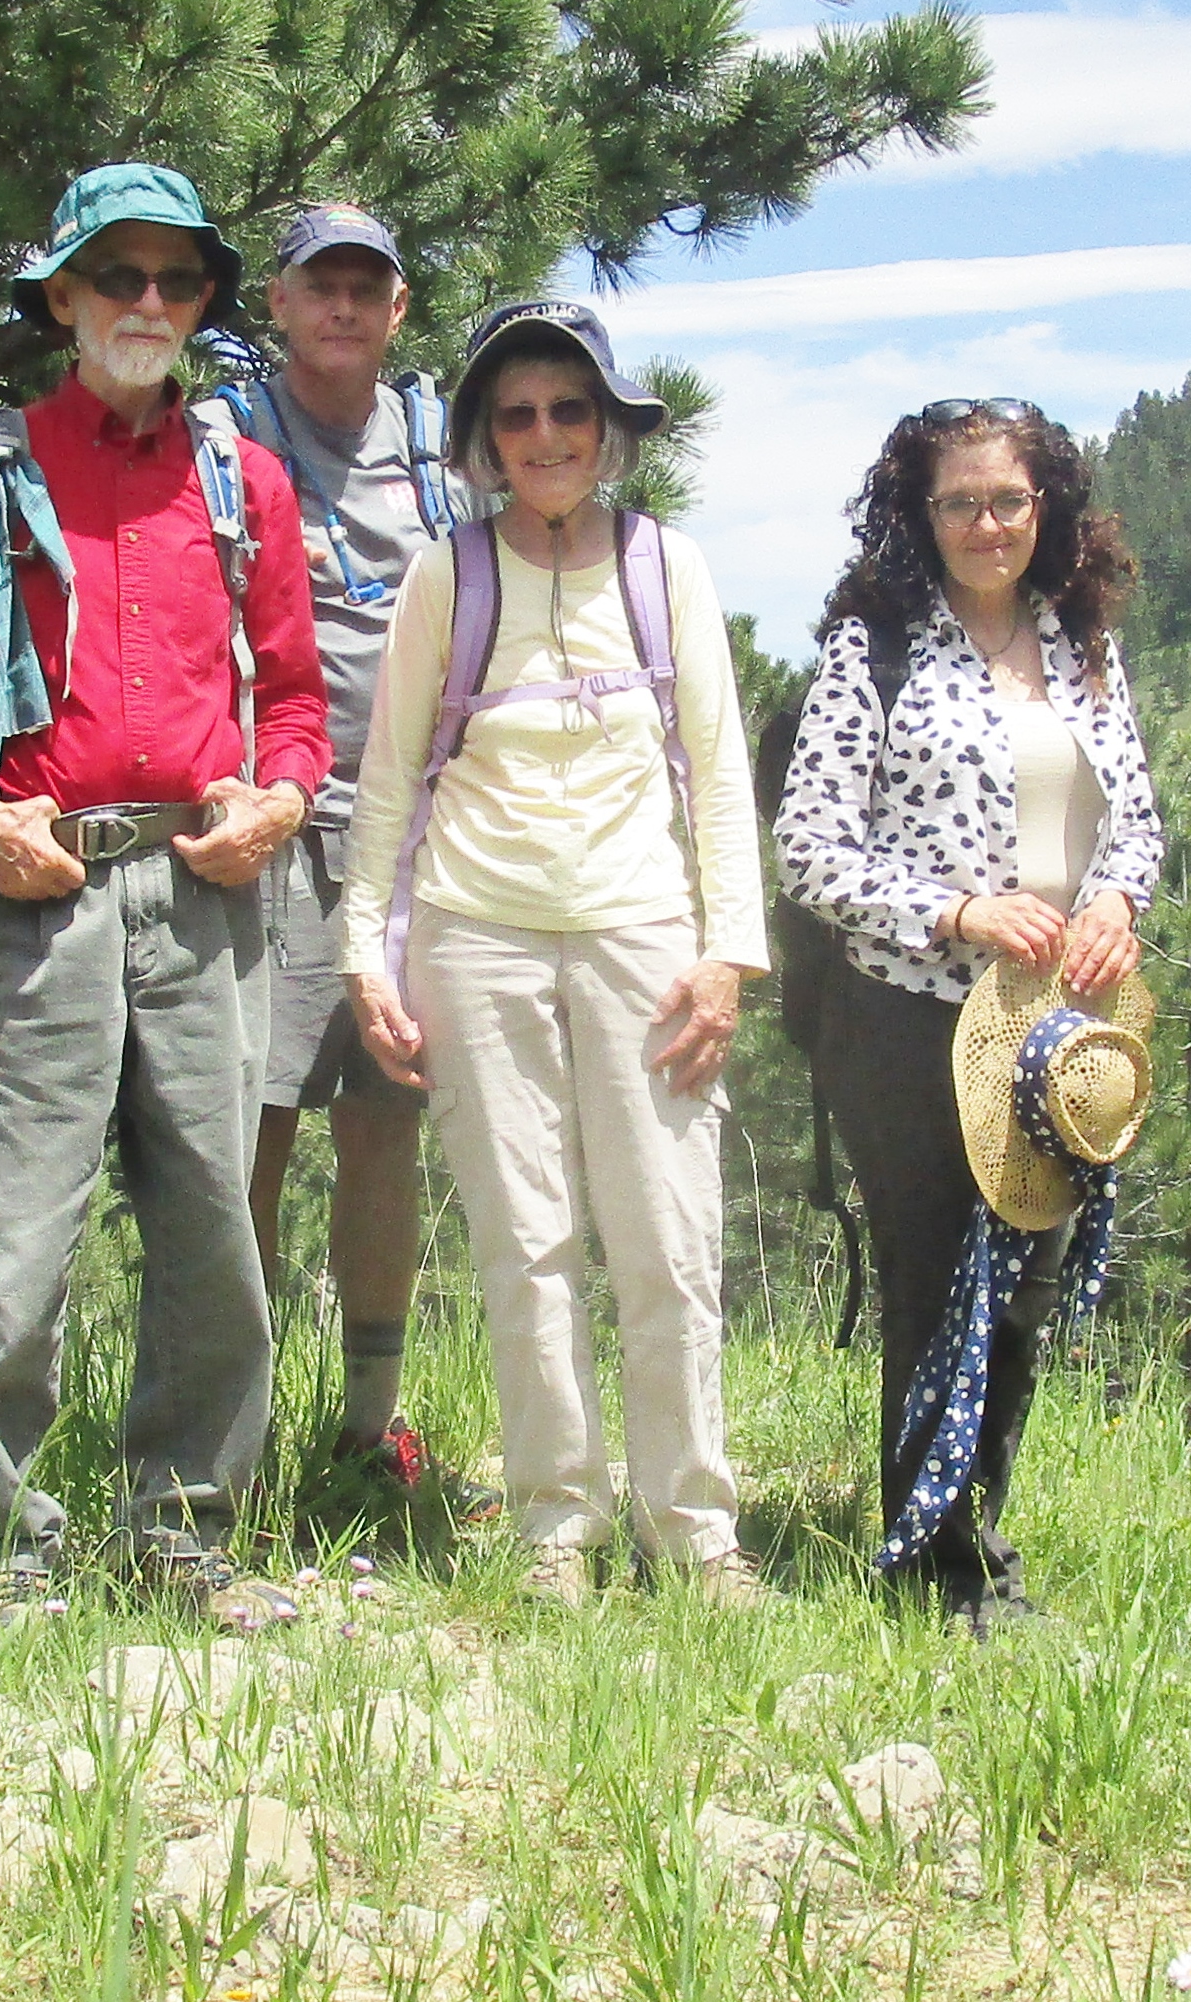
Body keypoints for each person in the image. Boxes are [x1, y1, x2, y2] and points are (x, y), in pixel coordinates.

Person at [0, 163, 329, 1626]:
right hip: (30, 895)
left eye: (176, 282)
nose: (146, 304)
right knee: (4, 1247)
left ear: (200, 307)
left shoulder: (242, 481)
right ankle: (0, 1558)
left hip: (200, 895)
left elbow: (295, 701)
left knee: (211, 1238)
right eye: (116, 276)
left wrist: (280, 795)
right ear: (59, 297)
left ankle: (183, 1529)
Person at [339, 299, 771, 1608]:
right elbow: (386, 779)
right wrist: (368, 948)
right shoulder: (446, 576)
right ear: (483, 438)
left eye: (567, 410)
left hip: (644, 933)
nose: (542, 436)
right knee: (523, 1244)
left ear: (608, 426)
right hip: (474, 935)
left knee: (664, 1237)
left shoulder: (664, 569)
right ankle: (552, 1530)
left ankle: (693, 1533)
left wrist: (727, 955)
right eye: (515, 415)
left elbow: (715, 771)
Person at [772, 397, 1164, 1633]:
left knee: (1027, 1289)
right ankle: (938, 1564)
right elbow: (808, 848)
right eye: (958, 502)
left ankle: (966, 1519)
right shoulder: (872, 651)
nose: (984, 523)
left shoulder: (1081, 645)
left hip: (1056, 1027)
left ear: (1043, 508)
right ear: (918, 514)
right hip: (909, 1014)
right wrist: (957, 911)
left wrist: (1113, 902)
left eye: (1006, 499)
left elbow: (1136, 818)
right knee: (934, 1284)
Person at [221, 203, 469, 1496]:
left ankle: (368, 1423)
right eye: (319, 284)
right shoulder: (228, 438)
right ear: (276, 299)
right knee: (250, 1132)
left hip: (413, 838)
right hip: (271, 828)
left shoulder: (434, 448)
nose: (341, 306)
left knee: (385, 1132)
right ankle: (234, 1433)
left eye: (363, 286)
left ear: (395, 305)